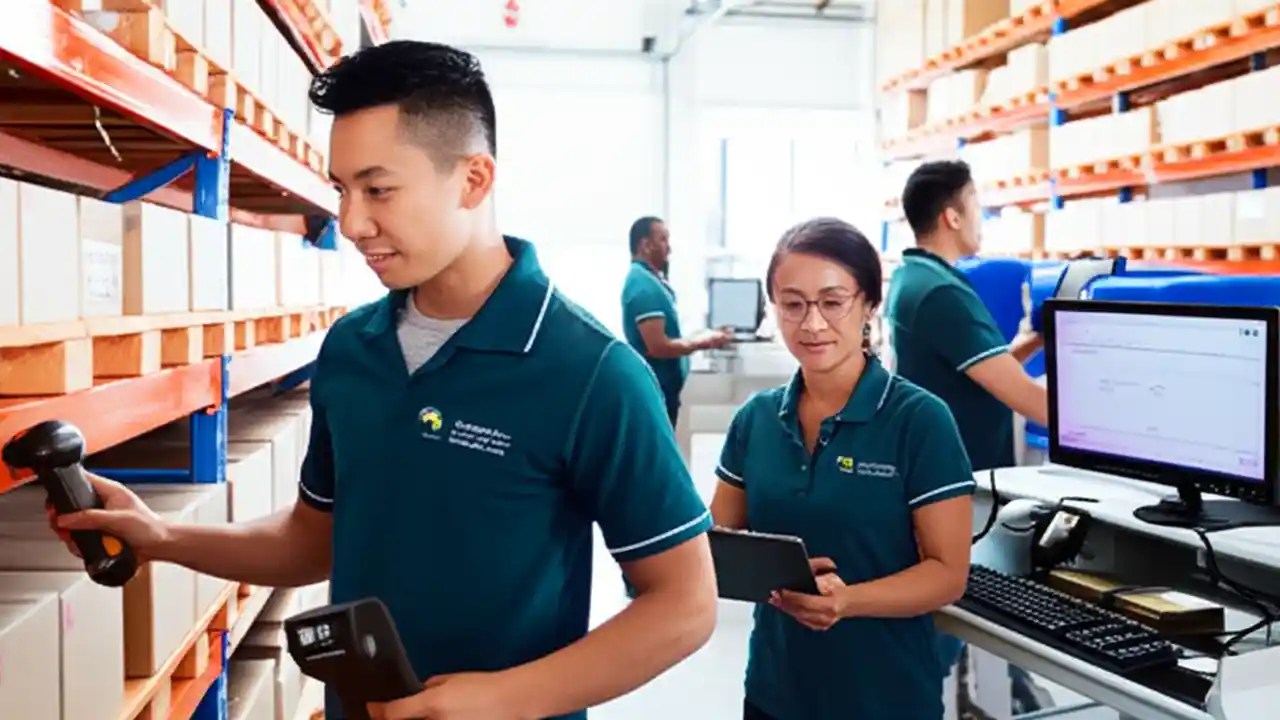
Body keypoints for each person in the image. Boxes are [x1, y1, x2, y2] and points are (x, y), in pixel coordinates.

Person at [49, 41, 717, 720]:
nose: (351, 223)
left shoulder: (590, 371)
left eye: (379, 189)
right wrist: (162, 538)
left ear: (474, 180)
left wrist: (500, 700)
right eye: (341, 189)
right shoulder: (352, 350)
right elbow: (315, 538)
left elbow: (685, 604)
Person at [709, 217, 975, 720]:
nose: (812, 323)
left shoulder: (918, 420)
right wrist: (771, 574)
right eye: (793, 304)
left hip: (883, 698)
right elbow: (718, 546)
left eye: (832, 302)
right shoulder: (757, 420)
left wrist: (846, 600)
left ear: (870, 305)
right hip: (775, 692)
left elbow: (947, 575)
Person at [884, 159, 1052, 713]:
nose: (983, 217)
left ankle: (988, 692)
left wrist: (1028, 342)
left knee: (952, 622)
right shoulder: (943, 295)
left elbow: (976, 367)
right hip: (962, 485)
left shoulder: (916, 278)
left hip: (942, 477)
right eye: (977, 204)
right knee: (947, 625)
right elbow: (1027, 400)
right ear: (953, 214)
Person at [622, 216, 731, 426]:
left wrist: (703, 335)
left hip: (663, 391)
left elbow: (668, 337)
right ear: (645, 245)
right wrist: (703, 343)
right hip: (655, 391)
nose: (668, 248)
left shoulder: (650, 281)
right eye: (662, 240)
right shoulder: (643, 286)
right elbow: (659, 346)